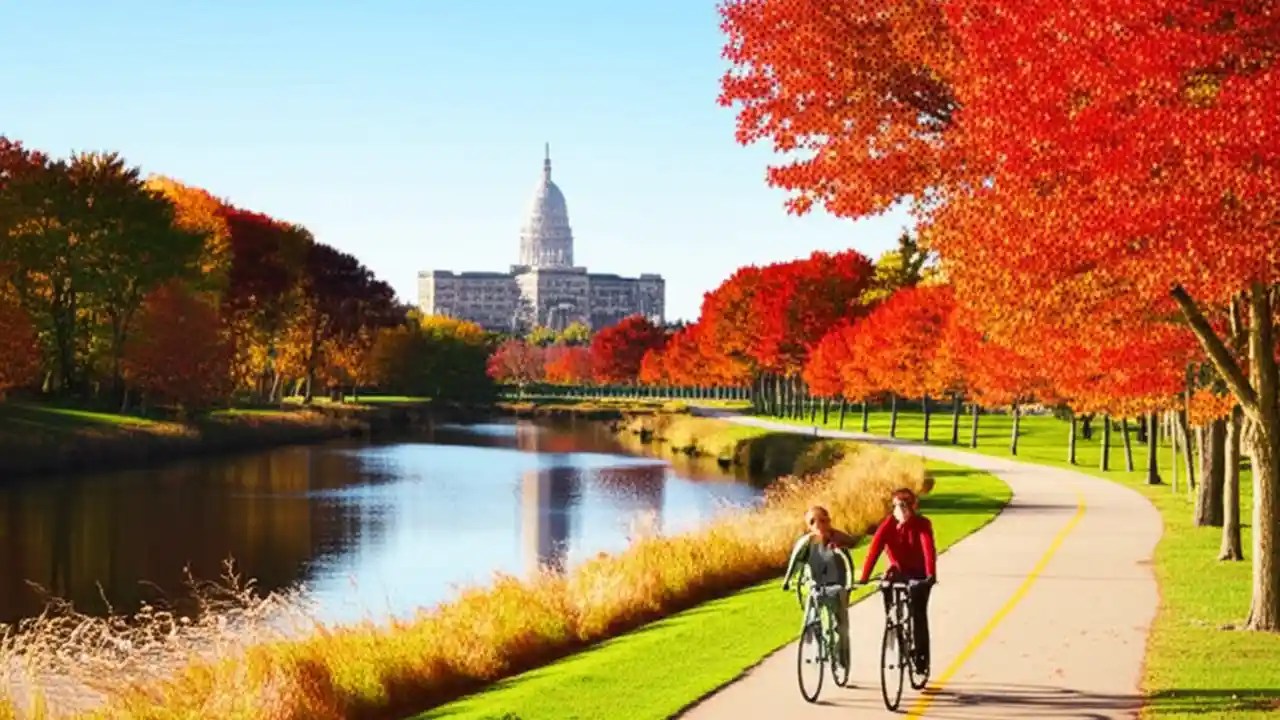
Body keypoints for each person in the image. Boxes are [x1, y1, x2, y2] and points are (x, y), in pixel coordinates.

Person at [858, 487, 937, 673]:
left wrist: (930, 575)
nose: (900, 510)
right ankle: (897, 637)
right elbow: (874, 549)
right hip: (898, 572)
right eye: (896, 506)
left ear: (913, 506)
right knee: (887, 592)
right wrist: (864, 578)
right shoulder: (888, 525)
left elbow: (928, 549)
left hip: (919, 575)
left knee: (918, 614)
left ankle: (921, 658)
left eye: (904, 505)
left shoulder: (922, 524)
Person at [782, 505, 857, 669]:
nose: (819, 525)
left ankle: (841, 656)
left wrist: (839, 544)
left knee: (840, 624)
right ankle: (818, 643)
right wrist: (787, 580)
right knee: (811, 618)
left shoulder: (836, 537)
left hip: (837, 585)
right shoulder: (806, 542)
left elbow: (852, 543)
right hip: (815, 586)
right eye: (813, 522)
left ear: (829, 521)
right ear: (809, 525)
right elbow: (795, 562)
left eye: (823, 520)